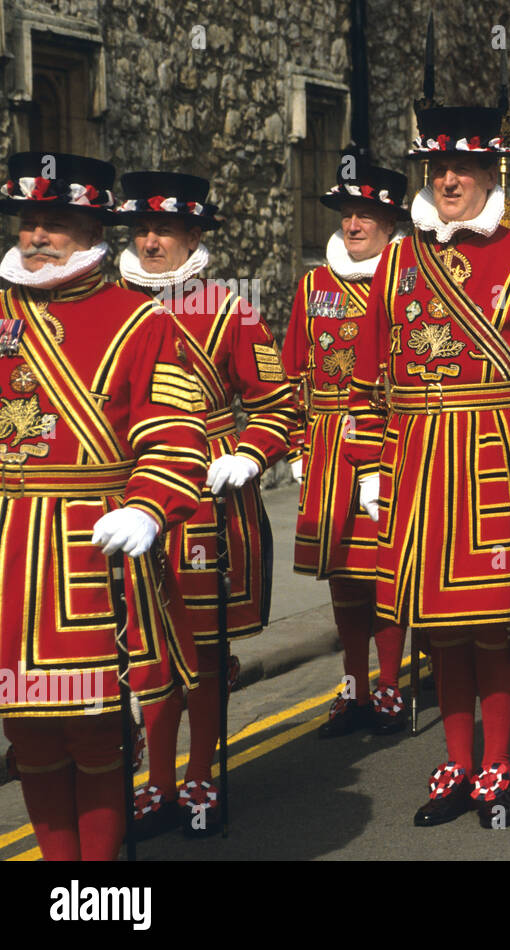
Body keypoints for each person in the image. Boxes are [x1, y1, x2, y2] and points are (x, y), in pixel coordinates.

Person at [344, 106, 510, 826]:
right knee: (438, 628)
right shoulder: (395, 260)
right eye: (437, 169)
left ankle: (497, 763)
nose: (448, 180)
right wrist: (368, 466)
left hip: (491, 463)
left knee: (493, 627)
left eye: (463, 169)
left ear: (492, 174)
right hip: (418, 466)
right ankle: (456, 760)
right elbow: (366, 376)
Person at [0, 152, 206, 859]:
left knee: (92, 722)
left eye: (55, 223)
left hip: (93, 550)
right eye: (29, 222)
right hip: (8, 558)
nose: (37, 238)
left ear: (90, 230)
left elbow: (178, 434)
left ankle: (97, 886)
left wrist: (149, 508)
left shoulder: (141, 321)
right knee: (24, 725)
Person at [116, 170, 294, 836]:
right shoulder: (110, 306)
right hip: (129, 487)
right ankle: (156, 781)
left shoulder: (231, 308)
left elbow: (277, 405)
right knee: (147, 651)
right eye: (140, 228)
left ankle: (199, 776)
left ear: (193, 234)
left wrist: (247, 455)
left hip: (207, 496)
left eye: (163, 228)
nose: (150, 240)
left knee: (206, 649)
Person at [282, 153, 410, 738]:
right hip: (331, 448)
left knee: (387, 573)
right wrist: (298, 448)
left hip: (394, 443)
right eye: (346, 213)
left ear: (390, 222)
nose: (352, 224)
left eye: (364, 214)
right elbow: (290, 375)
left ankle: (391, 686)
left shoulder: (409, 281)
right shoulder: (312, 286)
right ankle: (353, 685)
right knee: (344, 576)